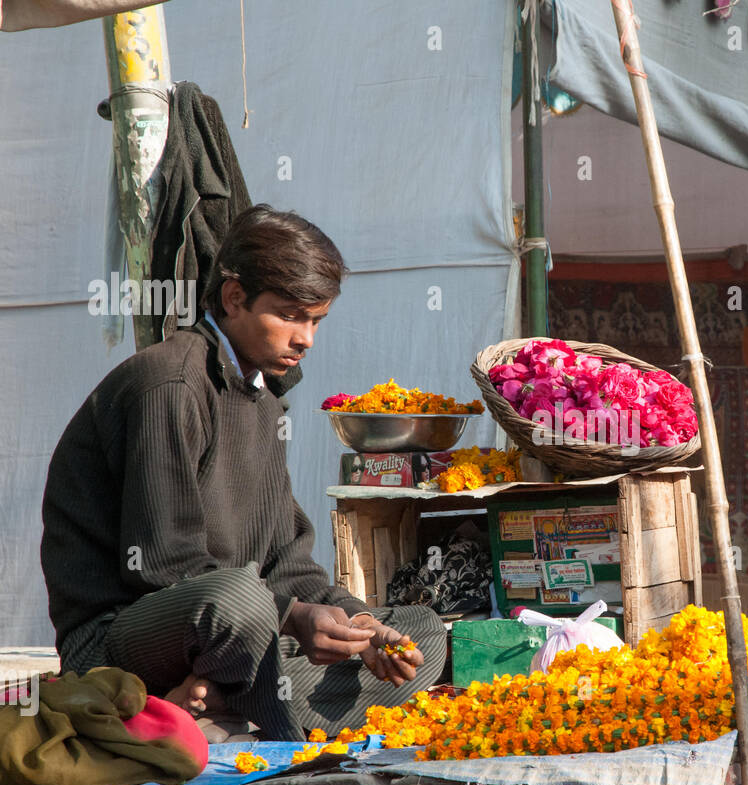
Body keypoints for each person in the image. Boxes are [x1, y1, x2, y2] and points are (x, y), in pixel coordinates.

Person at [41, 205, 446, 742]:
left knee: (425, 634)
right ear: (234, 298)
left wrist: (357, 625)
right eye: (290, 316)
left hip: (237, 638)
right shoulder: (171, 386)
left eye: (316, 320)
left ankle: (206, 703)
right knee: (238, 598)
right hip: (120, 639)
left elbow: (288, 563)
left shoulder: (263, 403)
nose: (306, 339)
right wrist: (294, 617)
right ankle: (173, 700)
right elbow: (163, 567)